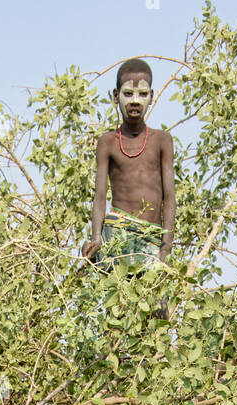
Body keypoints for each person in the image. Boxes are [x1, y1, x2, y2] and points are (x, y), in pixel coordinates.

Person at [81, 58, 176, 275]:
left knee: (156, 306)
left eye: (142, 94)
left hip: (151, 239)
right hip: (117, 236)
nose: (135, 101)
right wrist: (96, 238)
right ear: (116, 96)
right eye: (128, 94)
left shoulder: (162, 140)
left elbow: (169, 197)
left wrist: (166, 245)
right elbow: (100, 195)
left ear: (151, 97)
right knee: (120, 304)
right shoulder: (108, 142)